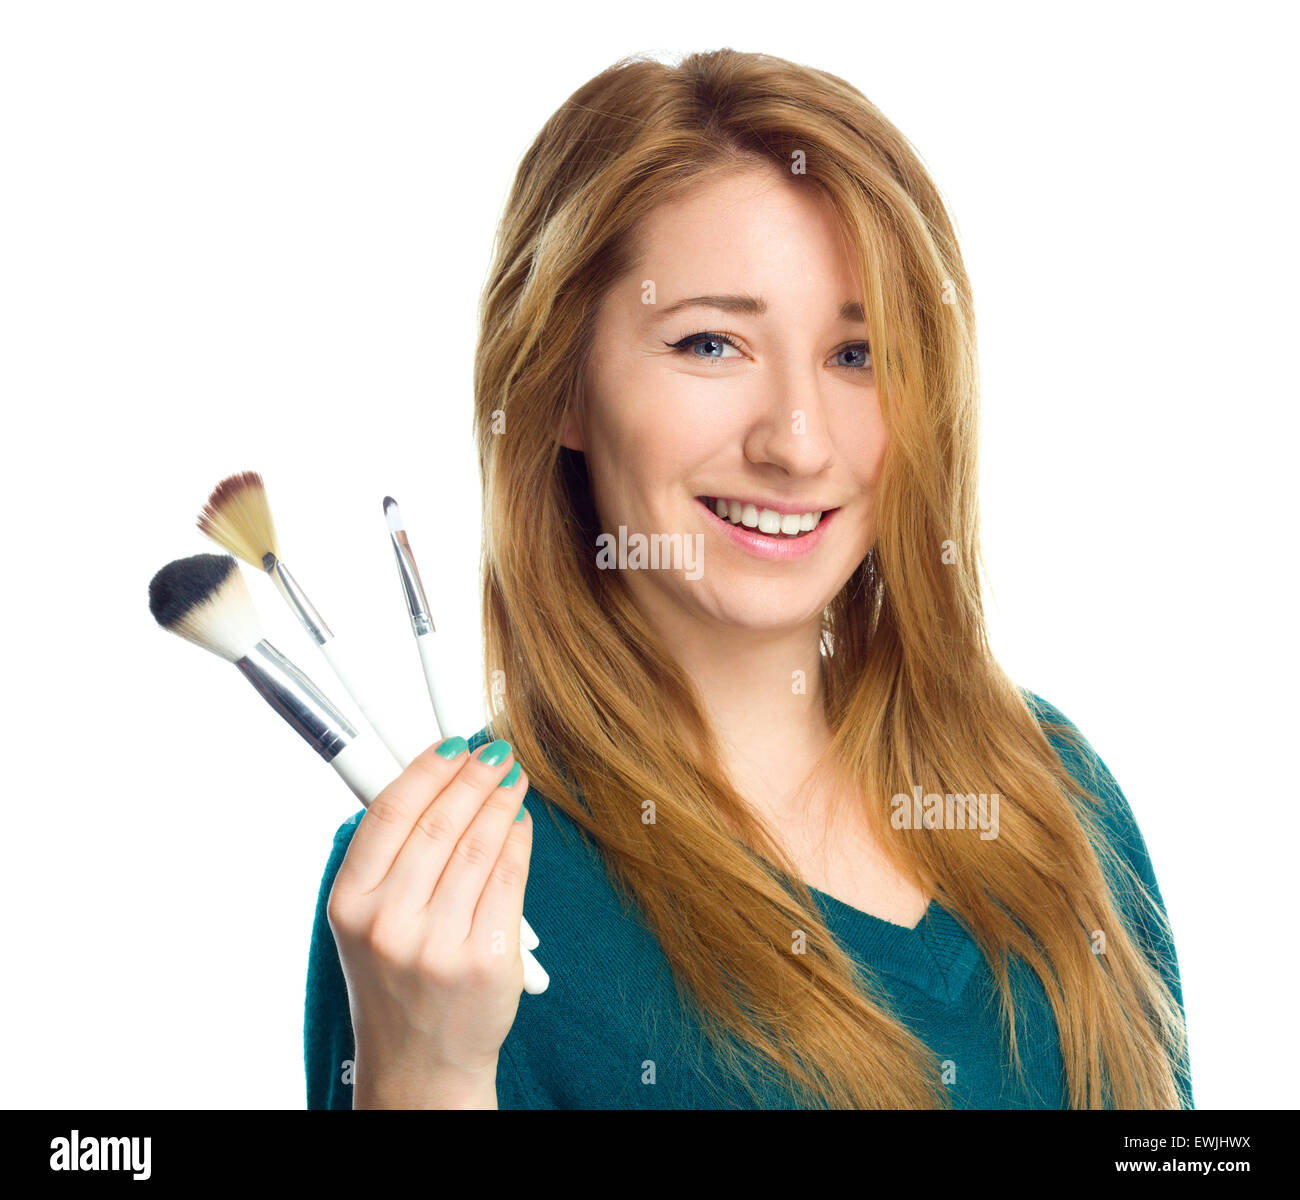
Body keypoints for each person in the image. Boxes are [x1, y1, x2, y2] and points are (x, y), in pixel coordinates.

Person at [305, 48, 1191, 1109]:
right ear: (559, 390)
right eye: (711, 343)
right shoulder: (437, 894)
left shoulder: (1054, 795)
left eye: (856, 356)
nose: (797, 440)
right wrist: (422, 1069)